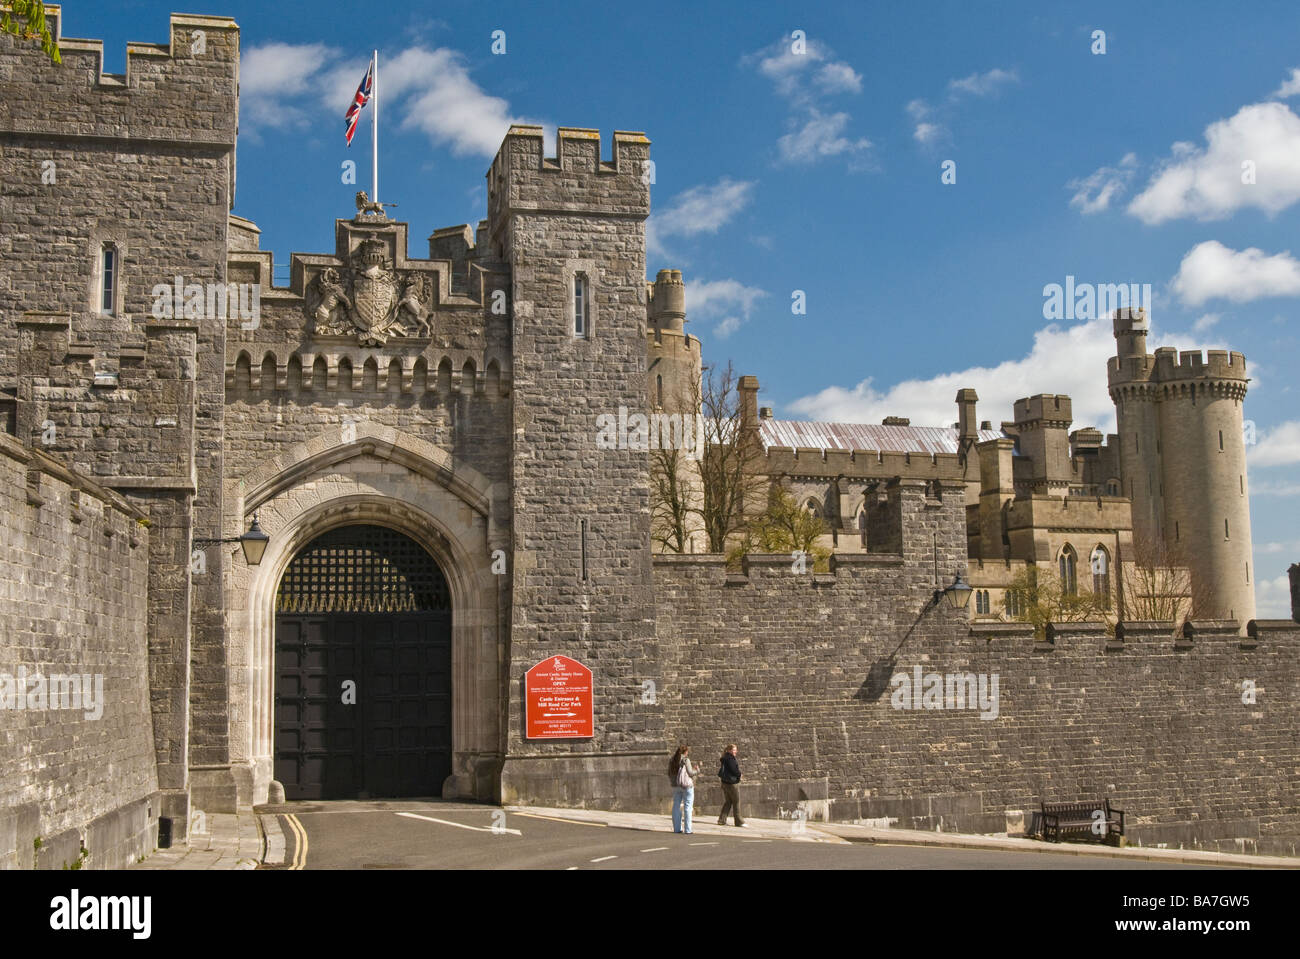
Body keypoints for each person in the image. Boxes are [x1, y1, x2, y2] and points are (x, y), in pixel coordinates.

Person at [668, 745, 698, 834]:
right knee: (688, 807)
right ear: (685, 752)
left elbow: (669, 773)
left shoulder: (672, 760)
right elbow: (690, 773)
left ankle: (677, 829)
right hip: (686, 786)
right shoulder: (685, 760)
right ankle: (688, 830)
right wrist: (697, 770)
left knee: (676, 806)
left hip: (676, 786)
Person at [717, 743, 746, 827]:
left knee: (728, 802)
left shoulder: (724, 758)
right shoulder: (730, 758)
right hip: (732, 783)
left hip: (724, 783)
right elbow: (733, 770)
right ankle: (738, 821)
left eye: (736, 749)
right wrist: (740, 774)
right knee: (736, 802)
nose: (736, 751)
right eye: (734, 750)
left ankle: (722, 820)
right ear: (729, 750)